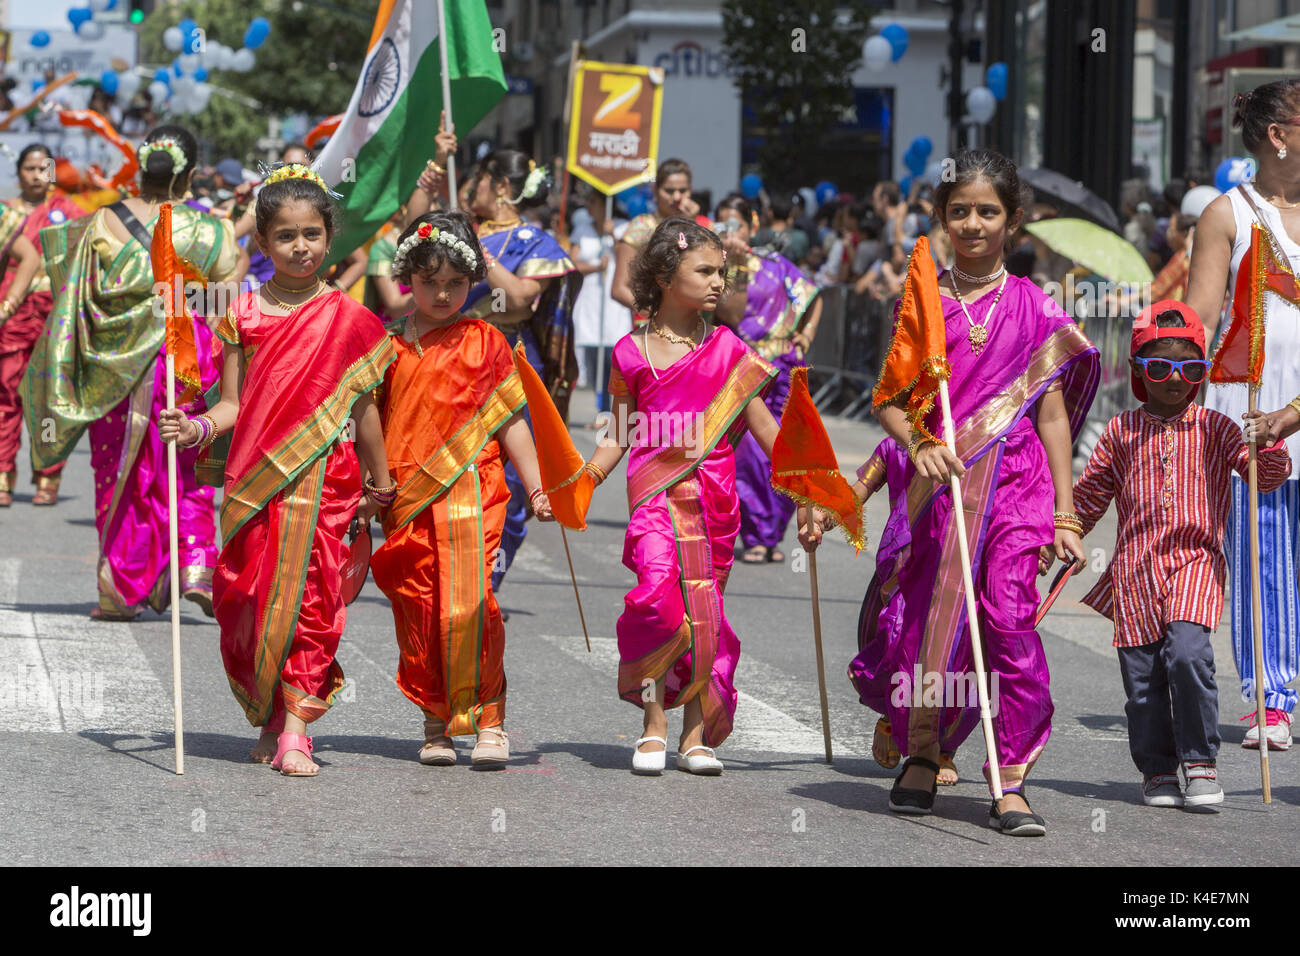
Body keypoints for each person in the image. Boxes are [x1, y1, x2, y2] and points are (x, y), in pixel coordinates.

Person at [809, 148, 1100, 835]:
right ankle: (923, 750)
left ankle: (1012, 773)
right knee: (929, 627)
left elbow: (1052, 414)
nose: (973, 223)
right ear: (941, 219)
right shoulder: (923, 300)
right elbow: (889, 400)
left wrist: (1067, 512)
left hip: (1017, 481)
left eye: (988, 212)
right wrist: (918, 444)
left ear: (1014, 222)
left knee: (1006, 619)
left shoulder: (1034, 306)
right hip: (938, 486)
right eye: (959, 211)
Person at [160, 164, 396, 777]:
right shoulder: (241, 314)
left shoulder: (349, 319)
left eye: (313, 234)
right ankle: (268, 710)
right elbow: (232, 404)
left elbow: (365, 410)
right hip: (254, 480)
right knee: (250, 598)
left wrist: (382, 482)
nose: (301, 247)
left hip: (327, 478)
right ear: (262, 242)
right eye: (286, 236)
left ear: (329, 238)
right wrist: (196, 427)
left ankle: (296, 728)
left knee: (315, 599)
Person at [581, 218, 781, 776]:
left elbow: (766, 430)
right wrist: (586, 479)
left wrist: (812, 486)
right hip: (653, 499)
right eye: (706, 271)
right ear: (667, 276)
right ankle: (653, 724)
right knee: (654, 600)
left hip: (716, 500)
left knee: (703, 615)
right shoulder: (629, 352)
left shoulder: (728, 350)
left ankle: (695, 733)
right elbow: (619, 430)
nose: (720, 282)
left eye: (724, 273)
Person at [1069, 301, 1290, 808]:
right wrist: (1064, 536)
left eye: (1189, 369)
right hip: (1135, 572)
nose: (1175, 379)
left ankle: (1199, 760)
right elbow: (1087, 499)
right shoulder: (1121, 431)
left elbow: (1266, 477)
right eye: (1160, 367)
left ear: (1202, 373)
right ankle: (1158, 768)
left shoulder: (1217, 427)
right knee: (1143, 681)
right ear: (1140, 371)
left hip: (1197, 563)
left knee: (1189, 655)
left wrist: (1268, 442)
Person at [22, 125, 242, 619]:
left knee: (120, 469)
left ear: (141, 168)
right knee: (186, 464)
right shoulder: (212, 231)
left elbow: (76, 296)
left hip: (118, 364)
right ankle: (195, 563)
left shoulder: (103, 221)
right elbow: (223, 304)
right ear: (188, 173)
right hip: (189, 359)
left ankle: (122, 588)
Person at [369, 210, 555, 768]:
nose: (443, 293)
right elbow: (366, 425)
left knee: (474, 607)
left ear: (473, 279)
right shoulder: (386, 345)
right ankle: (435, 723)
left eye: (455, 282)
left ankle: (489, 722)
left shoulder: (488, 342)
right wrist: (365, 489)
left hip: (475, 493)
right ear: (408, 277)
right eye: (430, 282)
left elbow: (512, 421)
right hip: (406, 498)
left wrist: (541, 487)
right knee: (421, 608)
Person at [1186, 79, 1300, 751]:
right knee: (1265, 559)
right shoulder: (1229, 215)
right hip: (1250, 407)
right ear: (1279, 134)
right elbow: (1199, 323)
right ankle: (1273, 695)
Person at [461, 149, 579, 596]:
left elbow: (519, 300)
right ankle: (449, 575)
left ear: (503, 187)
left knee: (508, 482)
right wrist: (437, 165)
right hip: (451, 354)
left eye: (482, 179)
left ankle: (486, 582)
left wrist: (480, 257)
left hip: (506, 361)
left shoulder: (535, 241)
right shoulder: (460, 224)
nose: (474, 188)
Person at [710, 193, 821, 564]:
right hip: (739, 368)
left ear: (752, 226)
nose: (732, 233)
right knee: (748, 453)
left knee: (784, 448)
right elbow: (728, 312)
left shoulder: (777, 266)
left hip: (783, 368)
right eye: (723, 225)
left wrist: (804, 336)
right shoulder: (712, 272)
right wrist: (734, 269)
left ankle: (773, 535)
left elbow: (812, 295)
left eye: (737, 225)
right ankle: (755, 533)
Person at [0, 143, 74, 507]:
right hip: (11, 314)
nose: (36, 175)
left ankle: (49, 475)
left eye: (44, 168)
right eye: (29, 168)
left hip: (54, 316)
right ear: (18, 173)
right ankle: (3, 474)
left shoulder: (68, 212)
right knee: (6, 395)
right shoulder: (6, 214)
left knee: (48, 399)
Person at [570, 184, 631, 428]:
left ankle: (613, 411)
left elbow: (630, 257)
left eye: (594, 202)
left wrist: (613, 236)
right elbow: (572, 262)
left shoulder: (622, 227)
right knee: (593, 353)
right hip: (591, 298)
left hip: (612, 299)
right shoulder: (582, 229)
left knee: (612, 354)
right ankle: (601, 409)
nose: (590, 207)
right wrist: (596, 266)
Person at [611, 158, 704, 316]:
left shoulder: (702, 226)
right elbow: (619, 289)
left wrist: (692, 224)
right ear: (655, 191)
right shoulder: (642, 226)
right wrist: (657, 315)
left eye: (683, 191)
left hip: (694, 325)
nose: (676, 197)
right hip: (654, 326)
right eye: (669, 191)